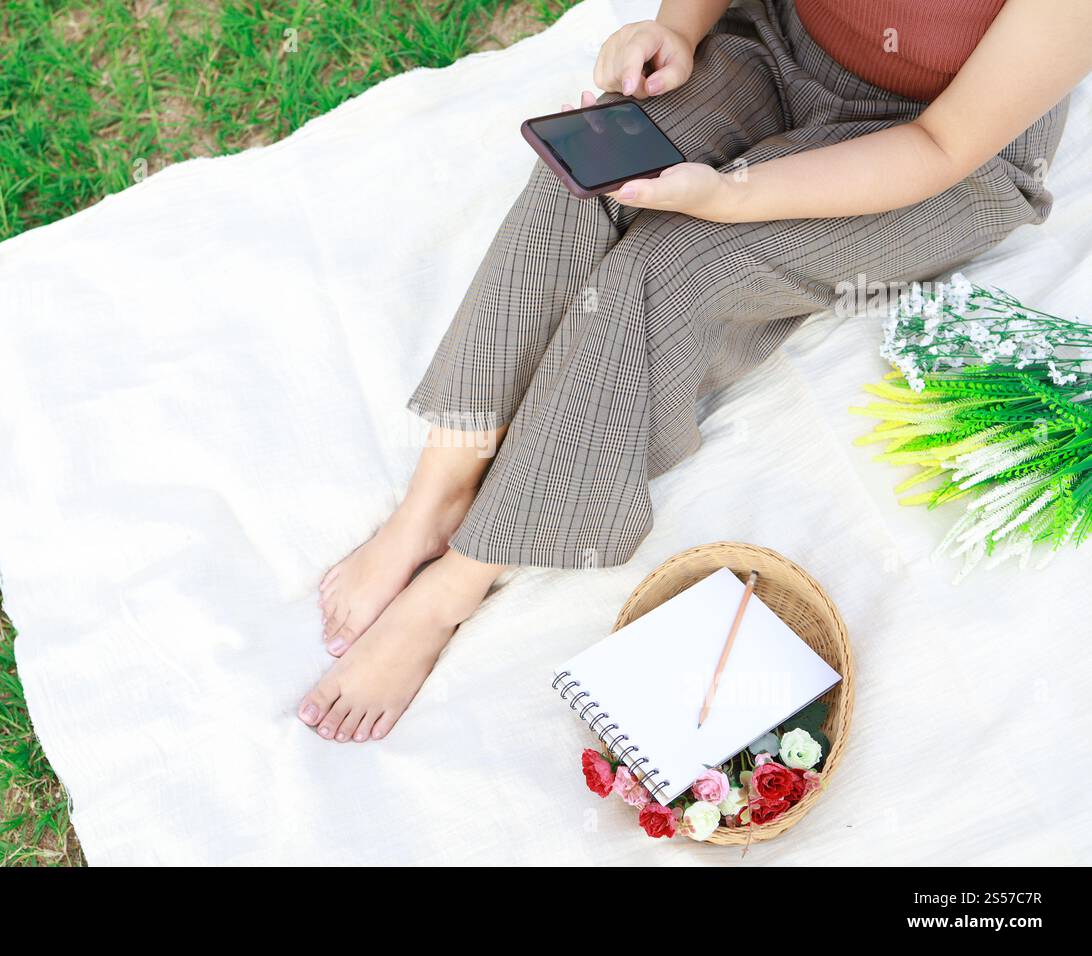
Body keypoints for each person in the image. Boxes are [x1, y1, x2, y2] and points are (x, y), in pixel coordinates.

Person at [297, 0, 1089, 742]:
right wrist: (678, 28)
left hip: (940, 147)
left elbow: (941, 147)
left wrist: (731, 195)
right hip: (779, 41)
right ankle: (439, 492)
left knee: (673, 268)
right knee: (589, 167)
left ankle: (464, 574)